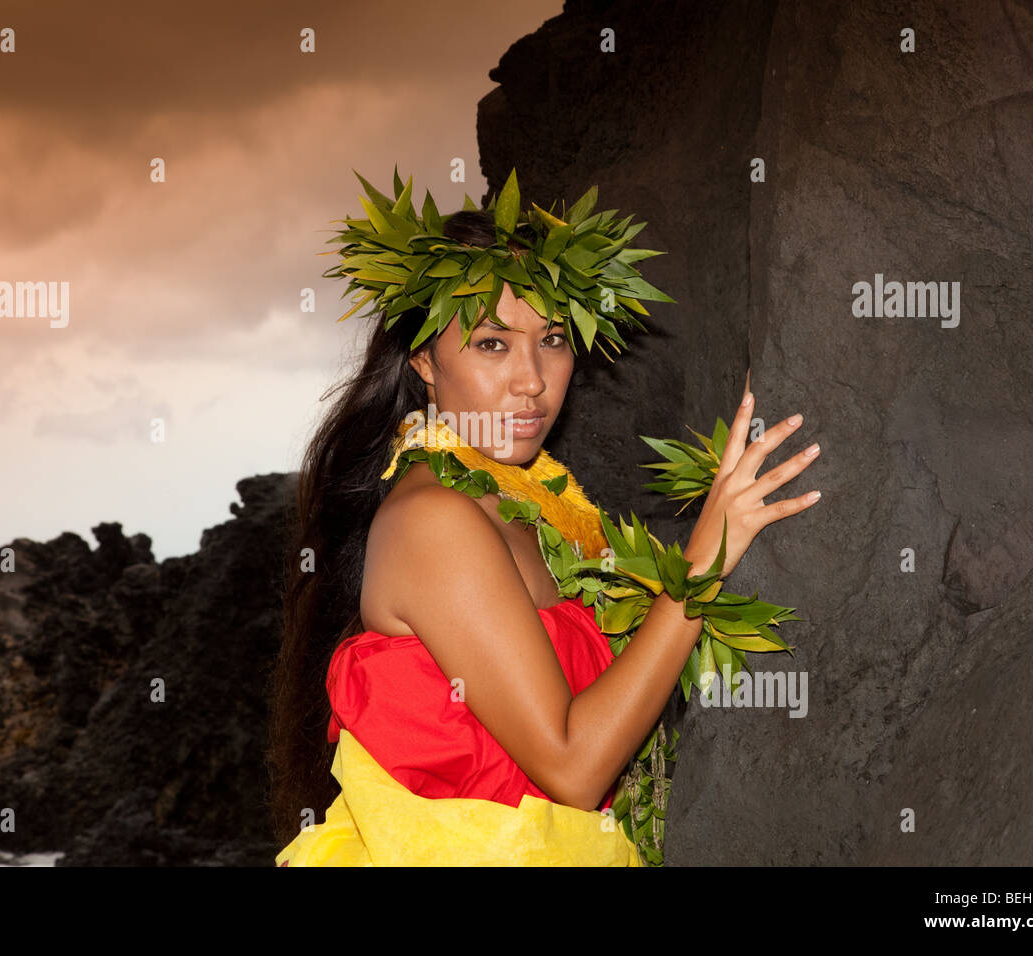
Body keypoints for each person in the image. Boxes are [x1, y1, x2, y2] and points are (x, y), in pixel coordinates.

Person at [267, 169, 821, 865]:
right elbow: (572, 767)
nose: (531, 379)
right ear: (424, 363)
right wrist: (703, 563)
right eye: (492, 343)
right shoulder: (432, 520)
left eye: (553, 340)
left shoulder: (530, 506)